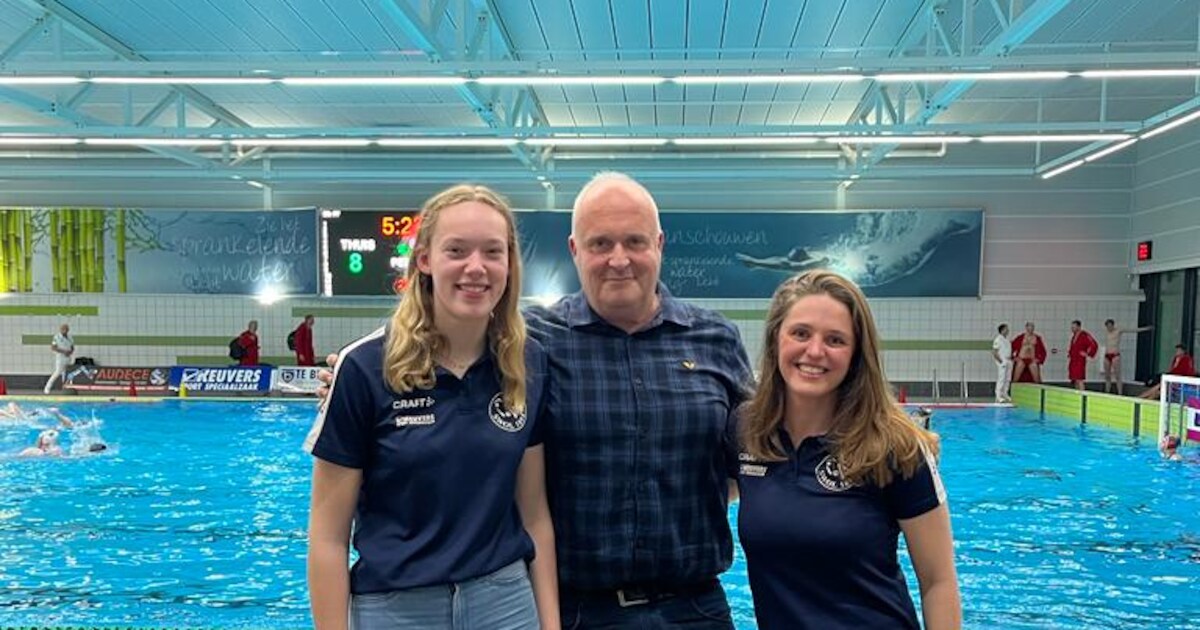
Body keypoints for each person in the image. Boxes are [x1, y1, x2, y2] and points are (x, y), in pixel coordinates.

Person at [318, 171, 752, 629]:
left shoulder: (716, 339)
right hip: (575, 607)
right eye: (601, 243)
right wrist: (346, 379)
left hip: (695, 606)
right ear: (575, 250)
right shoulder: (533, 342)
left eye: (635, 242)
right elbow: (442, 341)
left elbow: (753, 459)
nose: (618, 259)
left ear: (660, 244)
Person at [304, 185, 558, 630]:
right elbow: (328, 536)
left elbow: (535, 514)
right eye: (456, 250)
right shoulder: (364, 368)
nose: (475, 268)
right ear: (425, 260)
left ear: (509, 264)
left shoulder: (527, 362)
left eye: (492, 252)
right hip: (396, 608)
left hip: (506, 605)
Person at [729, 270, 961, 630]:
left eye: (835, 340)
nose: (815, 351)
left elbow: (938, 582)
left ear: (856, 354)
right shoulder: (747, 432)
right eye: (800, 333)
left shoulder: (894, 446)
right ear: (777, 338)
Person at [1102, 319, 1153, 394]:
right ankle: (1107, 392)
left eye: (1110, 326)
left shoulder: (1118, 331)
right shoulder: (1106, 332)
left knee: (1117, 376)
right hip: (1107, 355)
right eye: (1107, 327)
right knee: (1107, 376)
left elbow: (1133, 330)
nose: (1109, 328)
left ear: (1113, 325)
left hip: (1115, 355)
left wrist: (1146, 328)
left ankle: (1120, 393)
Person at [1066, 320, 1099, 391]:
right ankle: (1077, 395)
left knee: (1079, 379)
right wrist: (1070, 353)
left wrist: (1088, 354)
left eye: (1074, 327)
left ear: (1079, 327)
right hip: (1073, 360)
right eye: (1072, 327)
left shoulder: (1084, 335)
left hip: (1079, 361)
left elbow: (1094, 344)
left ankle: (1082, 394)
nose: (1072, 329)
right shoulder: (1074, 336)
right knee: (1075, 379)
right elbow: (1074, 347)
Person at [43, 323, 75, 394]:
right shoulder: (56, 337)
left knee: (66, 373)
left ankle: (65, 388)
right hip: (60, 358)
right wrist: (64, 351)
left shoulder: (70, 337)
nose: (65, 331)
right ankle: (47, 388)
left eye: (66, 329)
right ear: (61, 330)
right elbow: (53, 347)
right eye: (63, 329)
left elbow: (72, 347)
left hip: (68, 357)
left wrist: (70, 352)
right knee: (57, 373)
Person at [991, 323, 1012, 403]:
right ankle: (998, 396)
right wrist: (1000, 361)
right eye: (1006, 329)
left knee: (1008, 378)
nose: (1008, 330)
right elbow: (994, 352)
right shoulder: (998, 339)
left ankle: (1005, 394)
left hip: (1008, 360)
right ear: (1002, 330)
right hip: (1002, 360)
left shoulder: (1007, 340)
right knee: (1001, 378)